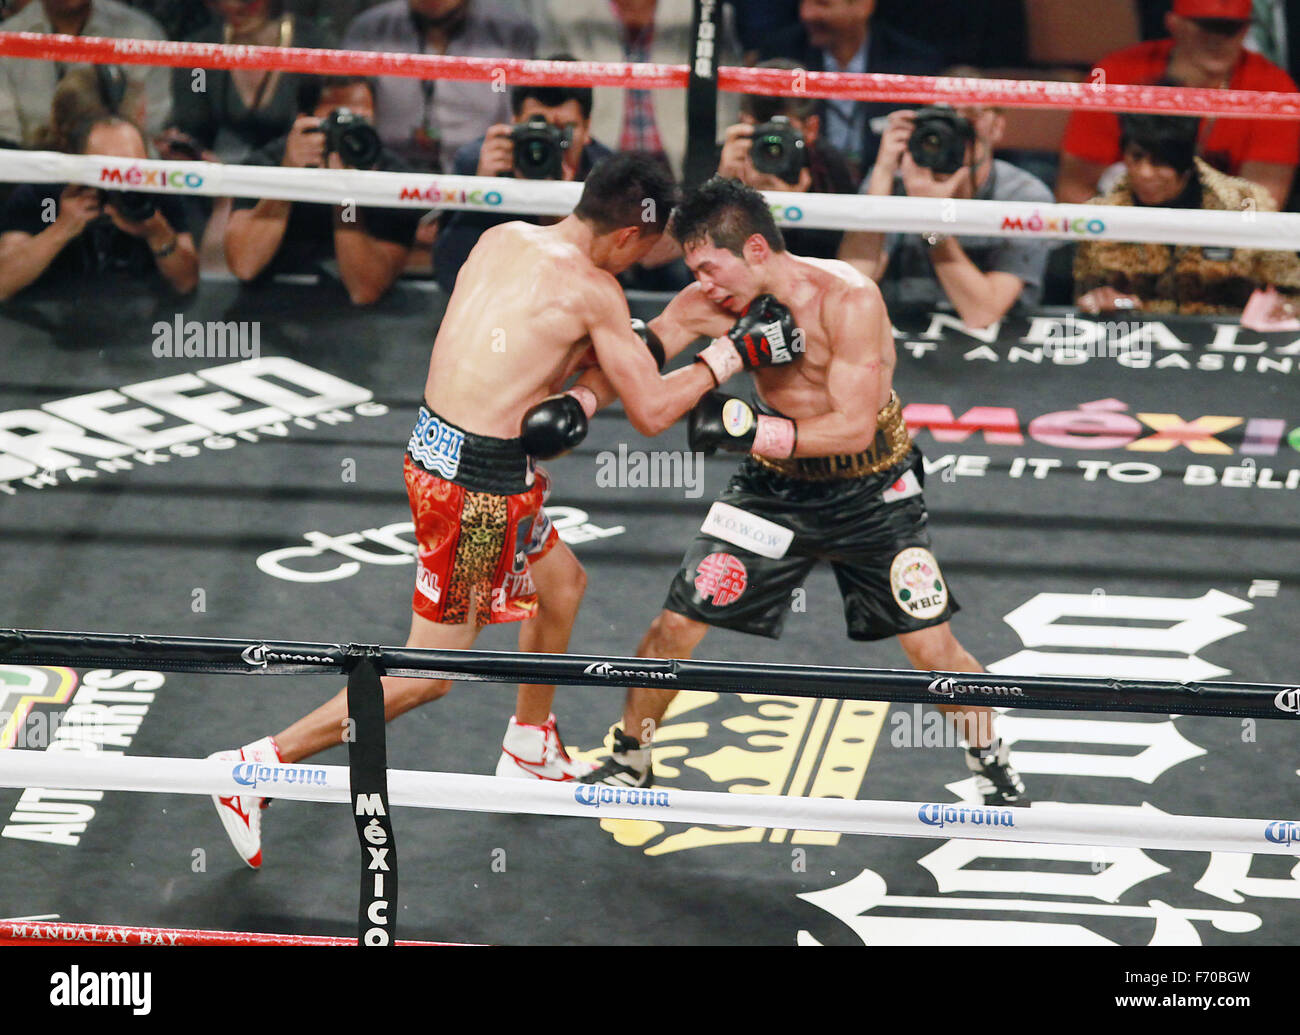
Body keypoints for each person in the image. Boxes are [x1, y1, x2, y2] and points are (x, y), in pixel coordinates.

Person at [207, 154, 802, 868]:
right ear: (623, 239)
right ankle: (256, 767)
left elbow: (568, 371)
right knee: (425, 673)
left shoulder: (502, 239)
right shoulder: (594, 291)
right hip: (479, 494)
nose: (646, 262)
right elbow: (646, 406)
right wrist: (730, 353)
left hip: (442, 453)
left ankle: (528, 744)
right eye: (647, 250)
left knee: (563, 585)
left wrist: (669, 325)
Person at [576, 177, 1028, 807]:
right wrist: (580, 390)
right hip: (775, 489)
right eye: (694, 269)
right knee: (677, 623)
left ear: (756, 249)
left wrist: (748, 429)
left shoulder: (849, 299)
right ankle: (632, 758)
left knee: (930, 644)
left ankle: (991, 758)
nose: (703, 282)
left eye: (710, 266)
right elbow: (645, 350)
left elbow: (852, 426)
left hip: (873, 486)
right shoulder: (715, 300)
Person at [838, 76, 1054, 327]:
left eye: (970, 116)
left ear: (997, 127)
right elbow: (851, 284)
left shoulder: (1024, 195)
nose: (956, 129)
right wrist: (883, 171)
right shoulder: (891, 182)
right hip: (903, 335)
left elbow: (981, 313)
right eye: (946, 116)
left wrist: (932, 219)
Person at [1058, 0, 1300, 211]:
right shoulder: (1116, 72)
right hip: (1123, 229)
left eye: (1229, 29)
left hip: (1219, 242)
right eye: (1205, 26)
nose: (1217, 39)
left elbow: (1260, 206)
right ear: (1174, 24)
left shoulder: (1274, 89)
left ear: (1246, 29)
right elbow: (1074, 191)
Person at [1074, 112, 1300, 315]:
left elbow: (1292, 290)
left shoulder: (1246, 205)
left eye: (1160, 162)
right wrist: (1101, 301)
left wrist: (1282, 308)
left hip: (1231, 341)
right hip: (1135, 343)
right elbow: (1084, 295)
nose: (1145, 172)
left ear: (1185, 163)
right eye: (1136, 157)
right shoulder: (1102, 216)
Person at [224, 76, 422, 305]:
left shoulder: (394, 179)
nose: (349, 133)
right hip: (268, 307)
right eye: (338, 122)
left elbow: (365, 290)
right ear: (305, 121)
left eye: (361, 120)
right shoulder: (264, 166)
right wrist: (288, 177)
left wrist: (344, 196)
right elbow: (245, 266)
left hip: (358, 322)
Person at [433, 65, 613, 290]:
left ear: (587, 129)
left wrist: (562, 215)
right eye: (539, 126)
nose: (549, 142)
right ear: (514, 122)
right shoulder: (478, 161)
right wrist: (483, 195)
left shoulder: (606, 173)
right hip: (496, 303)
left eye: (563, 130)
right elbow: (449, 275)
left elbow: (607, 283)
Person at [0, 113, 198, 301]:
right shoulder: (43, 195)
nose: (120, 183)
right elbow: (3, 284)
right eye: (107, 172)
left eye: (132, 170)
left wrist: (157, 234)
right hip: (49, 322)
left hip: (142, 323)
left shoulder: (157, 195)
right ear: (79, 165)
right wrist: (61, 228)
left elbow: (186, 283)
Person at [341, 0, 538, 172]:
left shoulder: (513, 30)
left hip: (484, 177)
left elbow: (528, 109)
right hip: (383, 175)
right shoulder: (368, 29)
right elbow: (345, 106)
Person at [757, 0, 942, 181]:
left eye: (822, 4)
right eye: (803, 3)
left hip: (891, 188)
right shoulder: (783, 54)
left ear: (863, 5)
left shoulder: (910, 64)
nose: (806, 14)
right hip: (809, 185)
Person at [715, 57, 858, 260]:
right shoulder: (726, 156)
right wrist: (723, 186)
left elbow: (838, 258)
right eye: (763, 129)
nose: (773, 142)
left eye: (784, 132)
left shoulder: (825, 165)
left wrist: (793, 211)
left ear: (811, 129)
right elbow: (696, 258)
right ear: (743, 122)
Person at [0, 0, 172, 147]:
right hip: (32, 175)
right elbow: (6, 138)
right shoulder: (7, 38)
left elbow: (152, 129)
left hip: (123, 171)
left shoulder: (141, 33)